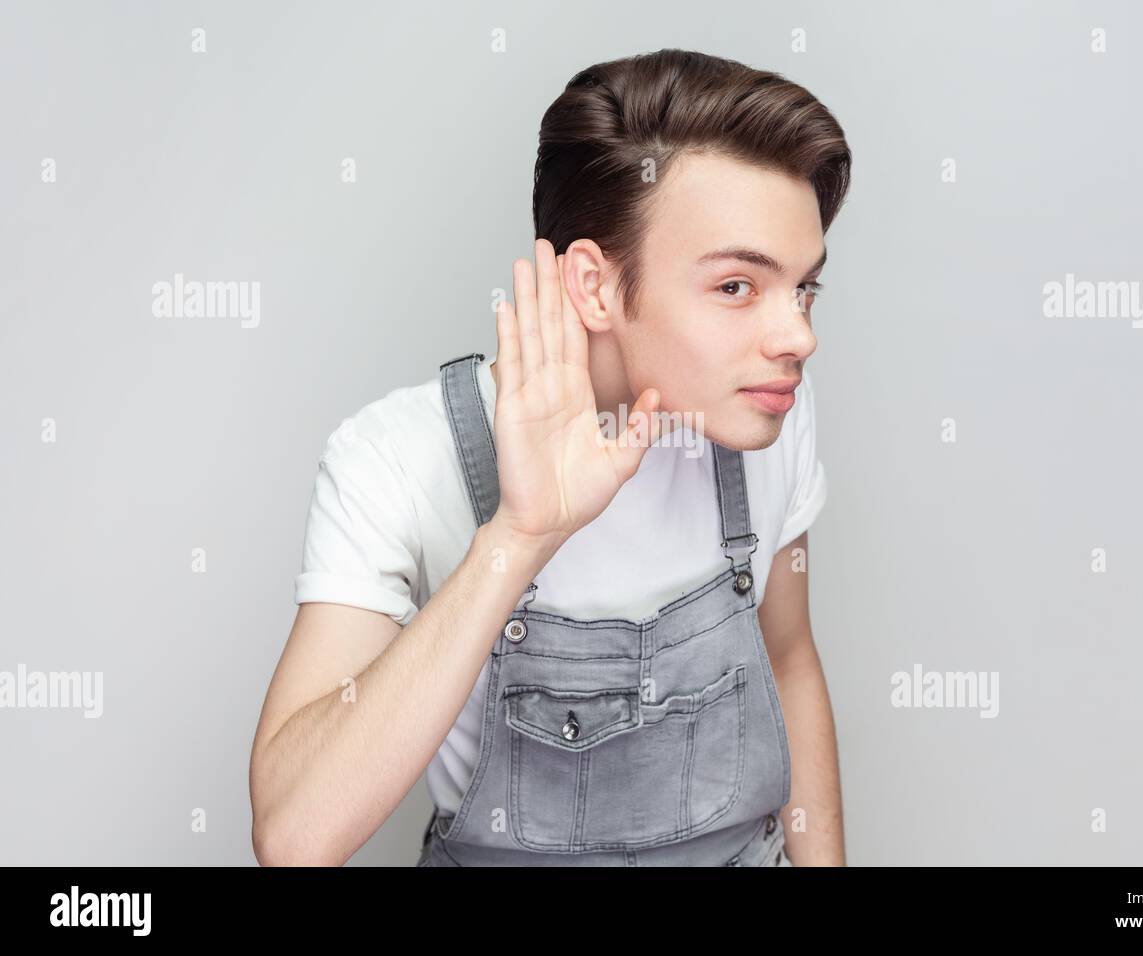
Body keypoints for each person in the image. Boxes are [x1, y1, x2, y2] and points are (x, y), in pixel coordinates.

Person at [250, 48, 851, 866]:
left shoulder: (766, 410)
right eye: (738, 288)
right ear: (595, 287)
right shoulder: (397, 457)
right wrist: (518, 538)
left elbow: (789, 662)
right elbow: (293, 835)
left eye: (803, 288)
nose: (799, 339)